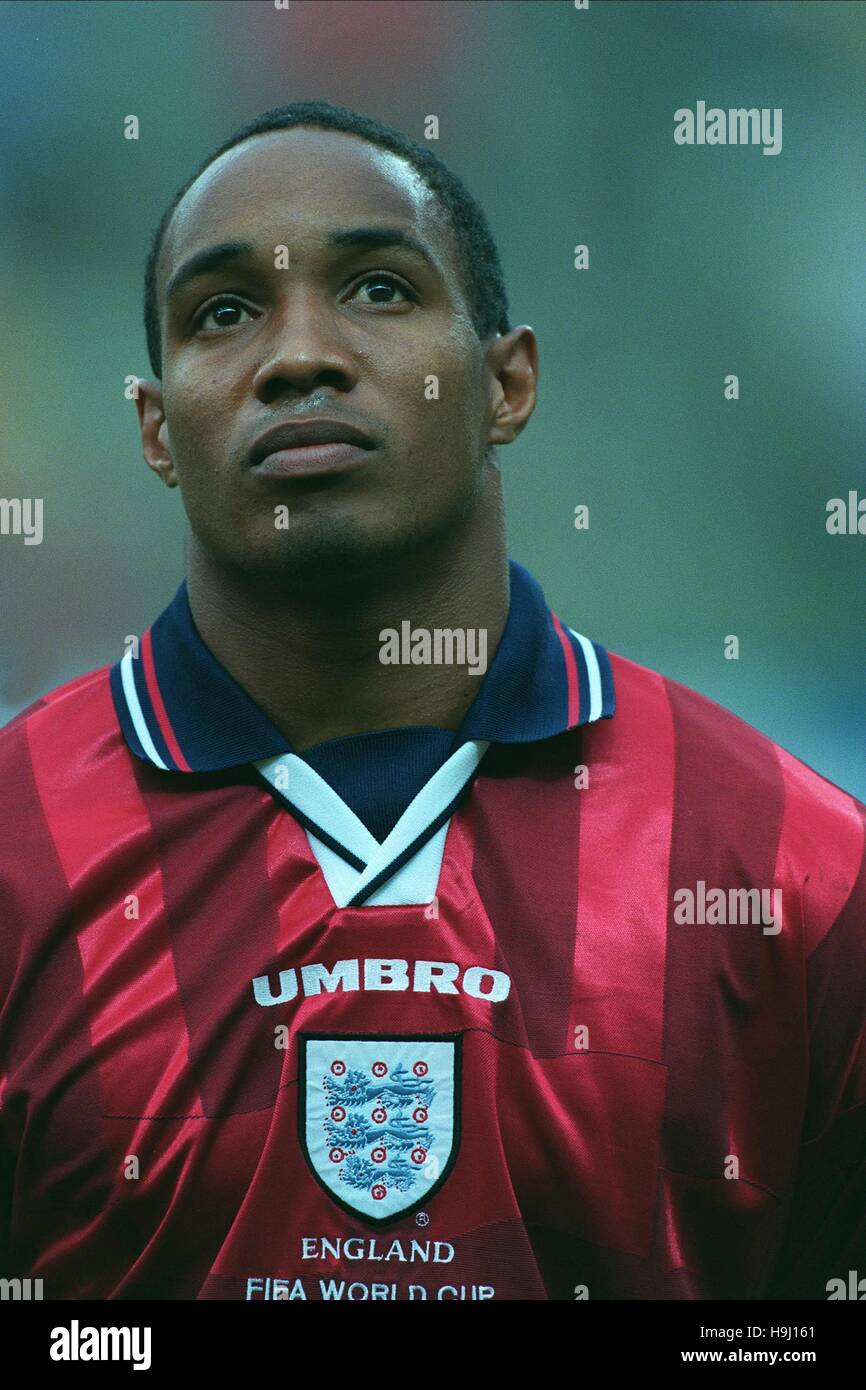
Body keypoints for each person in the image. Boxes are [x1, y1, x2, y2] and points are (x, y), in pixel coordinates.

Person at [1, 101, 863, 1302]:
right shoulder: (16, 848)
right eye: (226, 312)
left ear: (507, 382)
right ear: (156, 427)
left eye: (377, 290)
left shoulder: (798, 870)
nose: (299, 355)